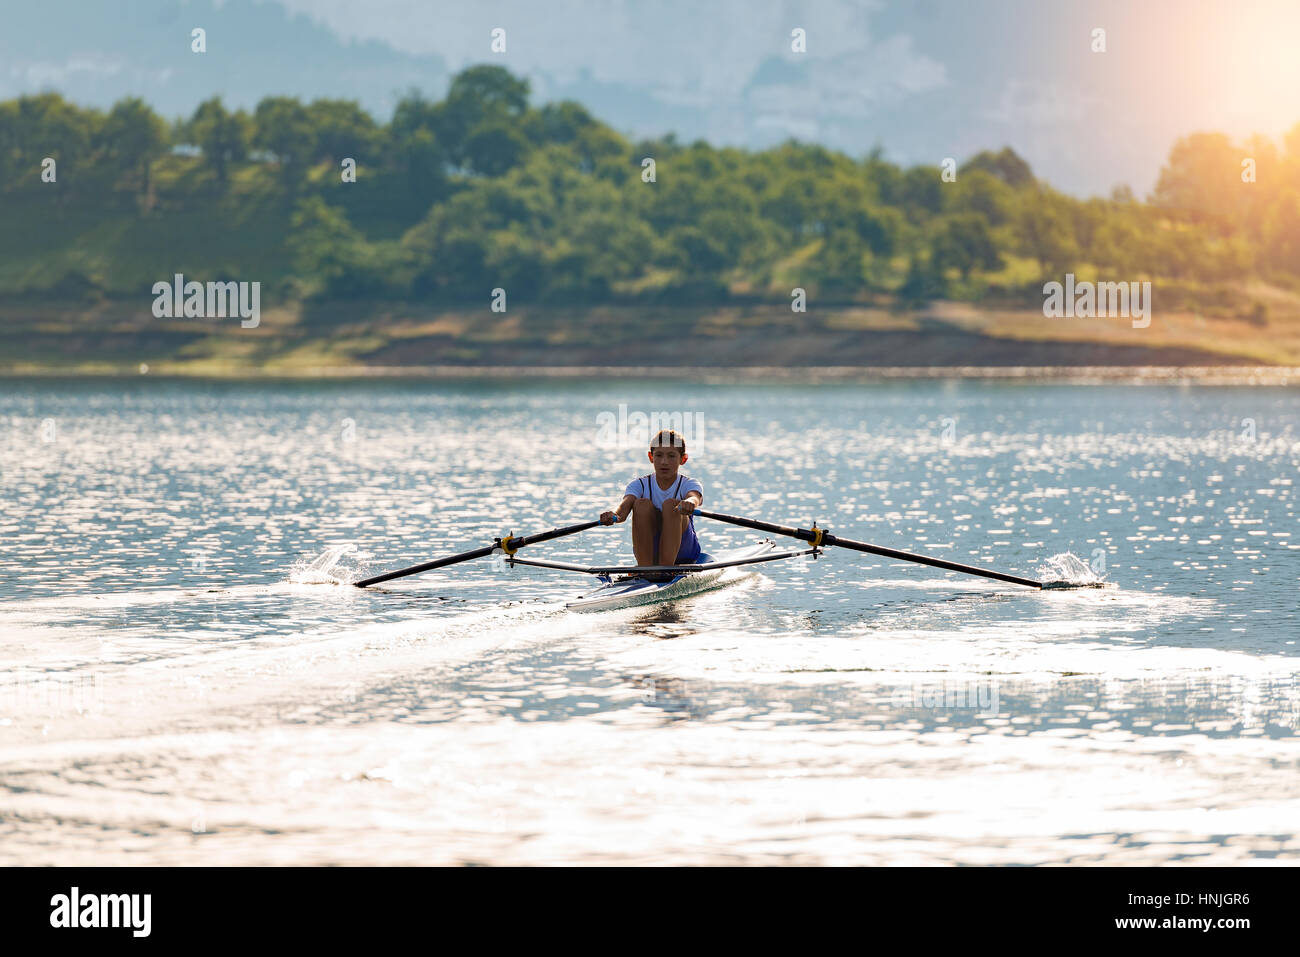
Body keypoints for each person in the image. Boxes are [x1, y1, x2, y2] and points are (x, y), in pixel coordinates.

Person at [600, 429, 703, 566]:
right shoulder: (639, 485)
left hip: (684, 552)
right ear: (651, 457)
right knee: (641, 504)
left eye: (671, 456)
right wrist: (613, 514)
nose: (664, 462)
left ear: (683, 459)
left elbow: (694, 497)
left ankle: (665, 569)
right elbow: (623, 510)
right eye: (659, 455)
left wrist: (689, 503)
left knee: (671, 505)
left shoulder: (689, 484)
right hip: (650, 551)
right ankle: (646, 569)